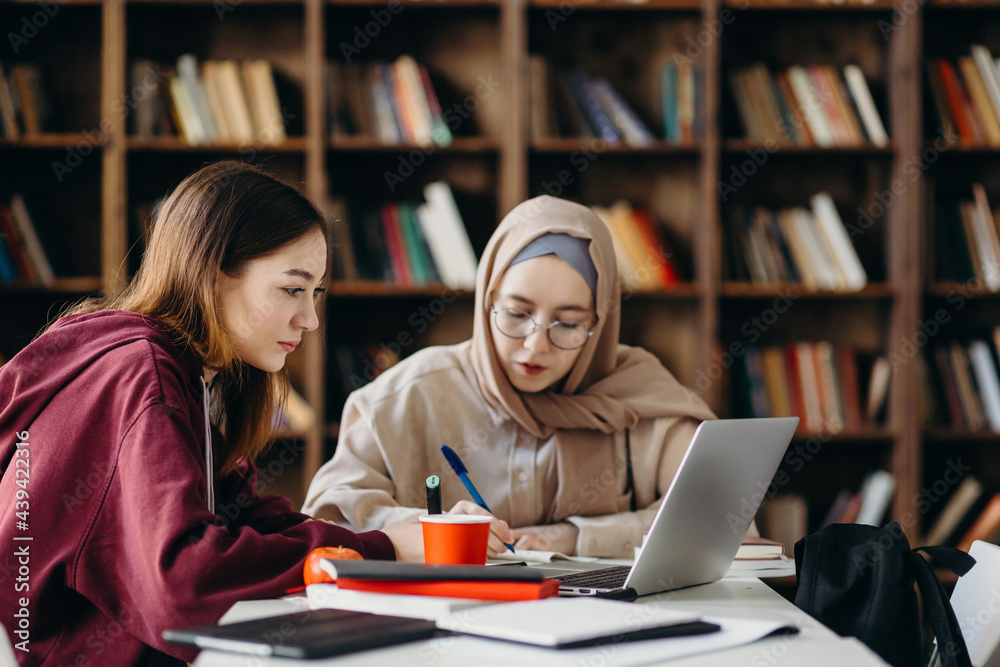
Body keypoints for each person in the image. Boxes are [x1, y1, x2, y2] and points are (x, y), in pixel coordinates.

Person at [0, 161, 422, 666]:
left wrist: (386, 544)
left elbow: (242, 517)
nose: (310, 319)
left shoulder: (182, 372)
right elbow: (184, 583)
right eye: (292, 288)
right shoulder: (142, 374)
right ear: (214, 275)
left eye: (317, 293)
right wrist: (383, 553)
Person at [302, 194, 717, 559]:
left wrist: (575, 537)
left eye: (569, 324)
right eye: (517, 314)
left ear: (600, 323)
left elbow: (715, 516)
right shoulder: (404, 396)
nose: (536, 345)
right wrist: (435, 530)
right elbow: (327, 518)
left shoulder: (640, 394)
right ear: (487, 302)